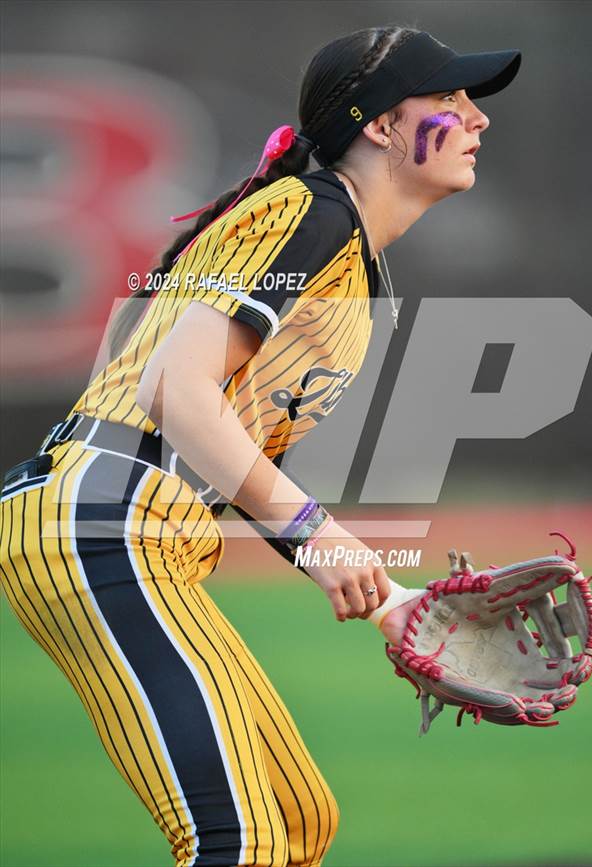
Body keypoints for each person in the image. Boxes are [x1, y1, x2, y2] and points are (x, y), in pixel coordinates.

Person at [0, 24, 521, 867]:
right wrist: (321, 533)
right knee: (236, 837)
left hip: (128, 528)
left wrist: (389, 602)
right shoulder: (311, 212)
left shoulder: (344, 254)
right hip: (100, 524)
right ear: (377, 124)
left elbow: (237, 453)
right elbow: (173, 389)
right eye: (449, 98)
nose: (477, 117)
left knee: (296, 820)